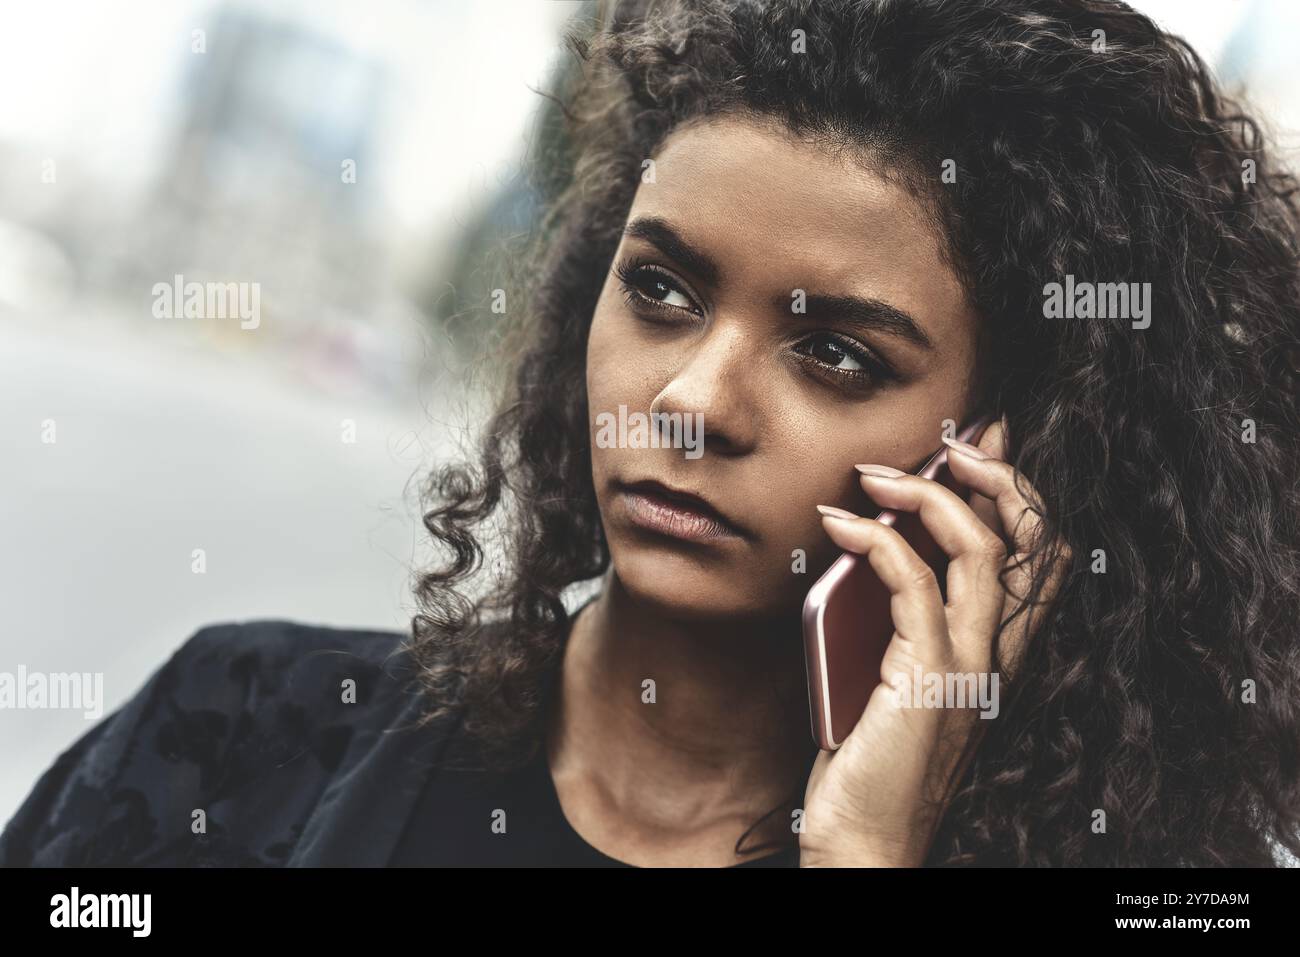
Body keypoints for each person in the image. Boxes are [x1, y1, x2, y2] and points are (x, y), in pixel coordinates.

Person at [4, 0, 1299, 868]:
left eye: (834, 352)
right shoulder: (235, 735)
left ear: (1018, 459)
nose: (690, 399)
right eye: (664, 290)